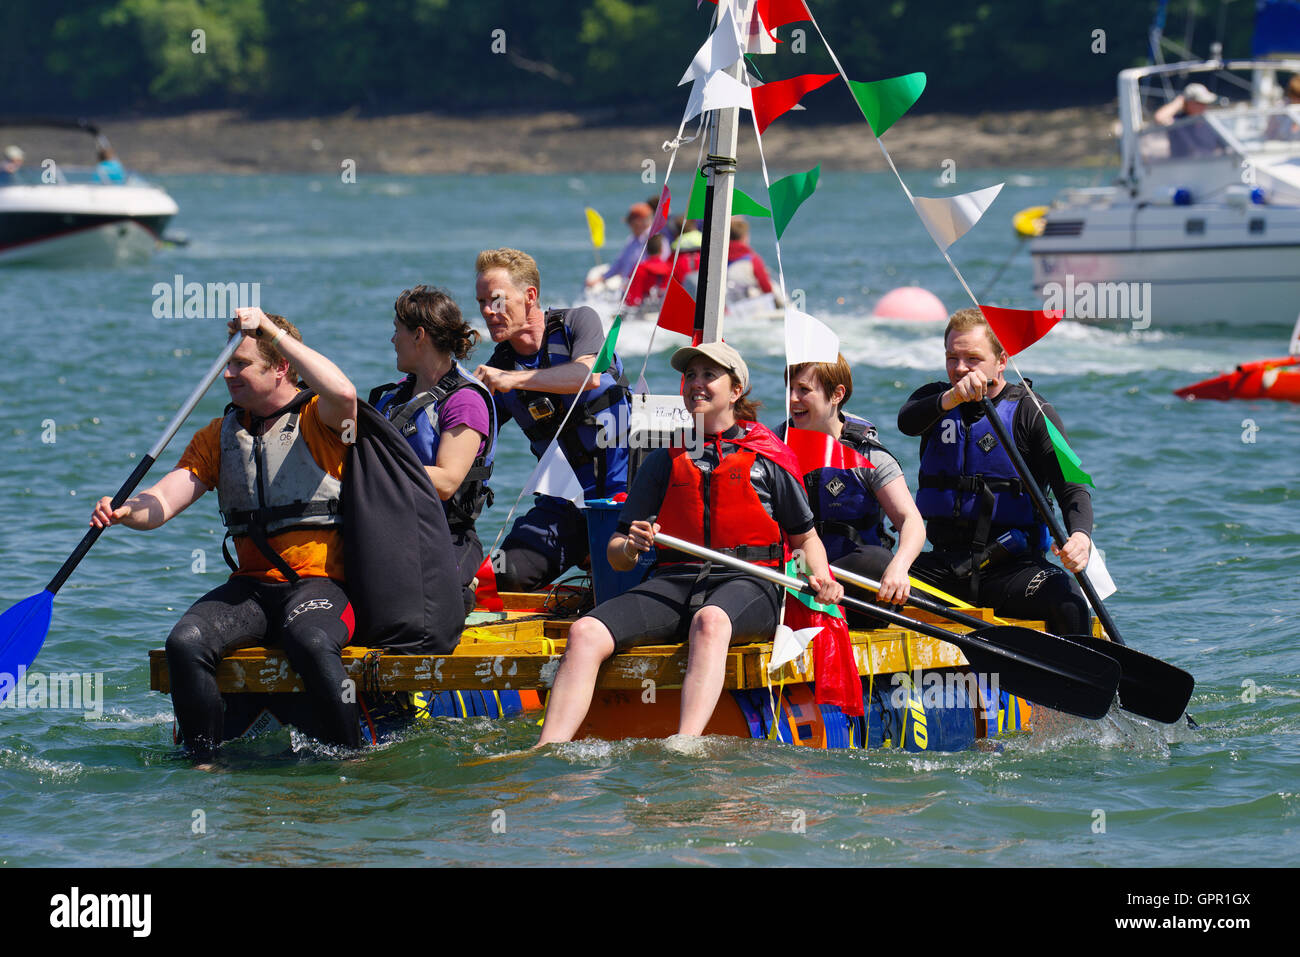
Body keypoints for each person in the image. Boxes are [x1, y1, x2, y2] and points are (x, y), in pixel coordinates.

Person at [90, 307, 362, 762]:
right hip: (252, 591)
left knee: (311, 643)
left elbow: (345, 391)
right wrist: (124, 512)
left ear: (280, 368)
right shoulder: (218, 435)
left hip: (320, 587)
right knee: (185, 641)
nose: (228, 374)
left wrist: (271, 331)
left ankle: (351, 761)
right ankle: (204, 764)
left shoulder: (323, 419)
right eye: (225, 364)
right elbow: (163, 501)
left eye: (241, 364)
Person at [536, 342, 843, 744]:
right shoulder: (665, 458)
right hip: (676, 580)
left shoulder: (768, 455)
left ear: (735, 391)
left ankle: (685, 744)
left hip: (751, 583)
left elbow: (806, 538)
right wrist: (630, 547)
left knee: (710, 621)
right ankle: (548, 748)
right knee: (585, 631)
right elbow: (616, 554)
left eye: (708, 376)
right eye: (691, 376)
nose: (696, 384)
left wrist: (823, 579)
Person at [896, 307, 1093, 636]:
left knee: (1068, 599)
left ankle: (1083, 681)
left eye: (972, 359)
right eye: (951, 358)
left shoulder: (1033, 410)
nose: (960, 369)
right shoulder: (933, 400)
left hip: (1012, 569)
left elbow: (1073, 485)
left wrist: (1081, 537)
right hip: (943, 567)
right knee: (869, 585)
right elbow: (906, 421)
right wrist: (951, 398)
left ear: (1001, 360)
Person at [474, 247, 631, 591]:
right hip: (565, 508)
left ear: (530, 296)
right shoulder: (498, 367)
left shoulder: (578, 323)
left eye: (496, 301)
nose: (488, 311)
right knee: (504, 575)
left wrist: (510, 381)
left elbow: (586, 376)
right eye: (481, 302)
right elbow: (472, 434)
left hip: (629, 503)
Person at [370, 285, 495, 615]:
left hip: (445, 538)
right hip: (388, 534)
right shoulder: (390, 399)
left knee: (418, 609)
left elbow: (447, 481)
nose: (392, 340)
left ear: (419, 335)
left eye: (397, 331)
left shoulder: (464, 401)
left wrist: (375, 472)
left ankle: (462, 587)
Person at [782, 355, 925, 618]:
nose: (792, 399)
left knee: (878, 561)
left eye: (804, 390)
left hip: (852, 581)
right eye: (789, 389)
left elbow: (910, 521)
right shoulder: (774, 449)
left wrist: (899, 567)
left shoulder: (868, 455)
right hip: (796, 575)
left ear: (837, 394)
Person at [587, 201, 667, 287]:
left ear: (641, 222)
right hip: (628, 289)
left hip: (644, 289)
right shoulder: (631, 240)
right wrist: (601, 278)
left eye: (632, 223)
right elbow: (619, 263)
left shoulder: (656, 240)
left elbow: (660, 266)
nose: (630, 226)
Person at [1154, 82, 1223, 158]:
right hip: (1183, 167)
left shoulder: (1209, 123)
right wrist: (1180, 101)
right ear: (1188, 103)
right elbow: (1159, 118)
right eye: (1199, 103)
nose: (1204, 106)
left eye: (1205, 103)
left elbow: (1225, 147)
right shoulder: (1178, 122)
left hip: (1209, 165)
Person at [726, 217, 774, 299]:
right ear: (745, 237)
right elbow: (766, 287)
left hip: (728, 300)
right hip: (749, 302)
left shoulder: (722, 258)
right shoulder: (753, 260)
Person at [624, 234, 673, 307]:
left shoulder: (639, 269)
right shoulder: (670, 268)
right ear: (661, 250)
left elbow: (632, 298)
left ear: (646, 250)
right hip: (664, 309)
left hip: (643, 311)